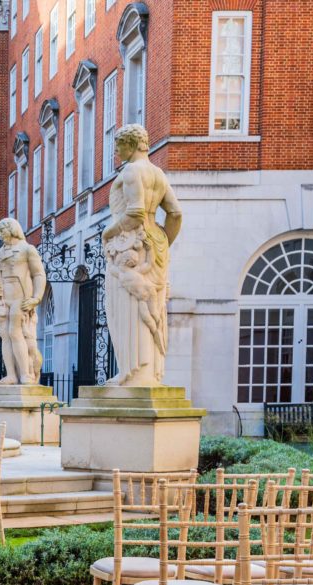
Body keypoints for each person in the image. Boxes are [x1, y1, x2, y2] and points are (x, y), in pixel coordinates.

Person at [102, 123, 183, 387]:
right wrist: (162, 242)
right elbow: (175, 214)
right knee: (150, 309)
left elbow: (135, 211)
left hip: (129, 242)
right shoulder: (158, 173)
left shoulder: (132, 171)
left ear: (133, 144)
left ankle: (131, 373)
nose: (116, 150)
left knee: (124, 311)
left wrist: (108, 232)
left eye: (119, 144)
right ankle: (147, 374)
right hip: (154, 242)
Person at [0, 217, 48, 386]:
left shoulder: (27, 249)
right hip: (4, 297)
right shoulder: (1, 253)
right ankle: (11, 375)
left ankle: (26, 375)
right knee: (5, 335)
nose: (0, 235)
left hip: (20, 297)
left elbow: (38, 274)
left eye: (3, 231)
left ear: (12, 230)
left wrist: (36, 298)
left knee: (15, 332)